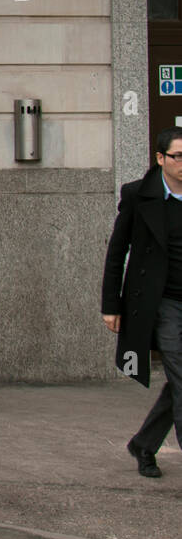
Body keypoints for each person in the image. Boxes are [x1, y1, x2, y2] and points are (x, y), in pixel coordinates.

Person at [101, 127, 182, 478]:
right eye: (178, 156)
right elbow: (117, 250)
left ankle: (144, 444)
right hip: (161, 303)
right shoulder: (138, 195)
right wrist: (111, 304)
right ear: (160, 158)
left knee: (180, 382)